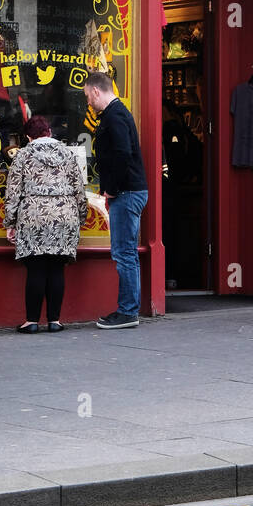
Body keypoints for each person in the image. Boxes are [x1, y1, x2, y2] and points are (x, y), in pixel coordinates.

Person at [4, 115, 88, 333]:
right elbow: (79, 189)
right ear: (48, 132)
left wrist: (10, 223)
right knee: (57, 268)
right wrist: (80, 217)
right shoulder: (68, 153)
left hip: (34, 216)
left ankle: (31, 321)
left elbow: (13, 193)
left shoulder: (23, 155)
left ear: (28, 136)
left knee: (36, 268)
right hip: (64, 215)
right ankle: (55, 321)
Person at [83, 71, 148, 330]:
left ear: (97, 91)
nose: (88, 102)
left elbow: (123, 154)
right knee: (125, 252)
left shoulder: (115, 115)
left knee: (124, 253)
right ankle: (127, 309)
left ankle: (128, 311)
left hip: (126, 192)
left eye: (88, 96)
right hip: (128, 191)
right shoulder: (116, 113)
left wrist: (111, 188)